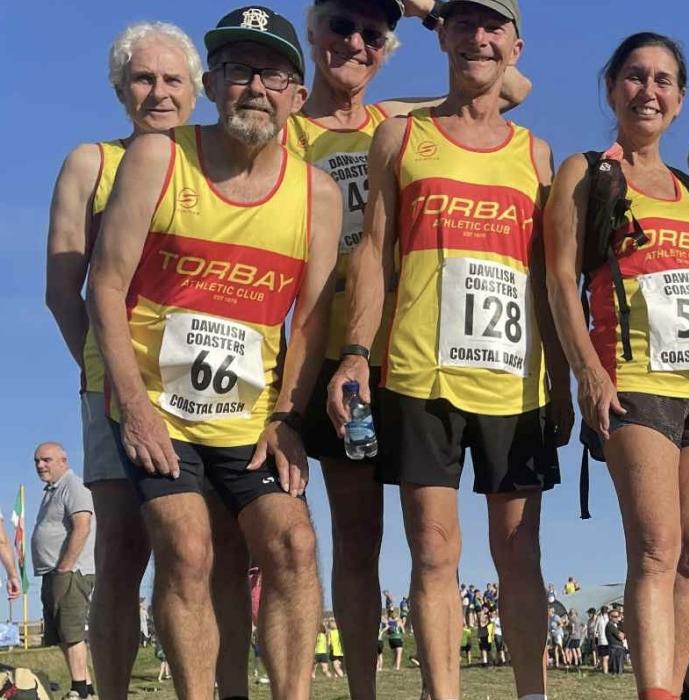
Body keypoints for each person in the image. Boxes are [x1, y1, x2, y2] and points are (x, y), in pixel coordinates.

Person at [87, 6, 339, 698]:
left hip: (248, 417)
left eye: (273, 74)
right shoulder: (158, 157)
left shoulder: (316, 194)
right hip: (155, 409)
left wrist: (288, 418)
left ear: (295, 93)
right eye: (236, 71)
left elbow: (311, 325)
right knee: (189, 551)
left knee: (293, 545)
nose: (254, 87)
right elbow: (103, 289)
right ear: (214, 84)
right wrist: (132, 407)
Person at [286, 0, 531, 692]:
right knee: (359, 539)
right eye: (340, 26)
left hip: (417, 351)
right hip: (334, 349)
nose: (355, 44)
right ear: (313, 31)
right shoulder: (282, 132)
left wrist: (433, 13)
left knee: (434, 542)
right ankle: (365, 687)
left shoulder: (395, 120)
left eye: (372, 34)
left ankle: (436, 683)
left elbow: (508, 86)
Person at [544, 31, 689, 700]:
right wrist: (587, 369)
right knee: (658, 546)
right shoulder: (589, 171)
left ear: (679, 99)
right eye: (635, 77)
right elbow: (557, 275)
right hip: (635, 382)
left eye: (663, 80)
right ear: (612, 89)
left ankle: (680, 688)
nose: (648, 90)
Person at [44, 22, 253, 700]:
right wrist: (101, 371)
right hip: (121, 390)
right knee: (122, 552)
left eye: (172, 80)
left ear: (199, 90)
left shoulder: (222, 162)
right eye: (143, 79)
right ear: (119, 89)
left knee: (216, 551)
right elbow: (62, 287)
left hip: (215, 389)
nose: (158, 93)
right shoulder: (92, 162)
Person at [31, 443, 95, 699]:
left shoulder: (73, 486)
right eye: (37, 461)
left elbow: (82, 525)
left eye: (46, 460)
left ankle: (79, 688)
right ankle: (86, 687)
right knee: (60, 634)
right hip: (53, 572)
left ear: (63, 460)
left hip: (70, 572)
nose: (40, 465)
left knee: (71, 631)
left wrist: (66, 565)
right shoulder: (52, 491)